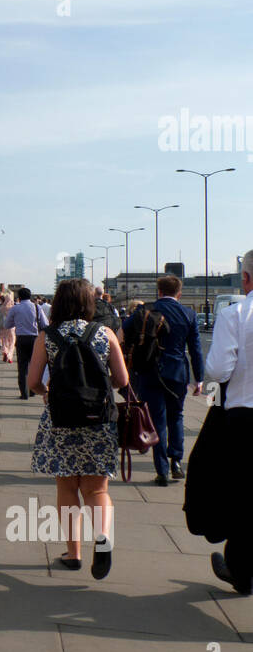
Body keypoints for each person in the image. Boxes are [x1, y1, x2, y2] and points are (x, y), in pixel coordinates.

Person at [27, 278, 128, 578]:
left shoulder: (48, 336)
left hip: (61, 419)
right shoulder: (105, 333)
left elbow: (32, 381)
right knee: (97, 488)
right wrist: (99, 390)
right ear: (89, 303)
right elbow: (122, 379)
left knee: (67, 486)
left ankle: (74, 554)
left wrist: (47, 392)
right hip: (99, 420)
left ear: (58, 303)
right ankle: (104, 536)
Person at [203, 250, 253, 594]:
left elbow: (218, 371)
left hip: (244, 416)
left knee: (243, 495)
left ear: (245, 278)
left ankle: (240, 570)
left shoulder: (236, 315)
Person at [123, 274, 204, 485]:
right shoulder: (188, 314)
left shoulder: (145, 310)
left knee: (157, 420)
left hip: (150, 372)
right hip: (177, 373)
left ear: (158, 291)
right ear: (179, 293)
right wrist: (200, 378)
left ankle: (162, 471)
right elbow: (195, 350)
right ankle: (176, 460)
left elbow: (122, 334)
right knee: (176, 416)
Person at [3, 287, 48, 399]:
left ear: (19, 297)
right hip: (35, 339)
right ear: (30, 296)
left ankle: (24, 393)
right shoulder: (37, 307)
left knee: (22, 367)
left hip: (21, 339)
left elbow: (7, 324)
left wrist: (17, 322)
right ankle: (33, 390)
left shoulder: (15, 308)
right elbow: (44, 324)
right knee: (34, 365)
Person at [0, 290, 16, 363]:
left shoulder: (1, 307)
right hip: (11, 327)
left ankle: (5, 351)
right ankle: (9, 356)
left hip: (3, 326)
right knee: (12, 341)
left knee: (4, 340)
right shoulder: (13, 308)